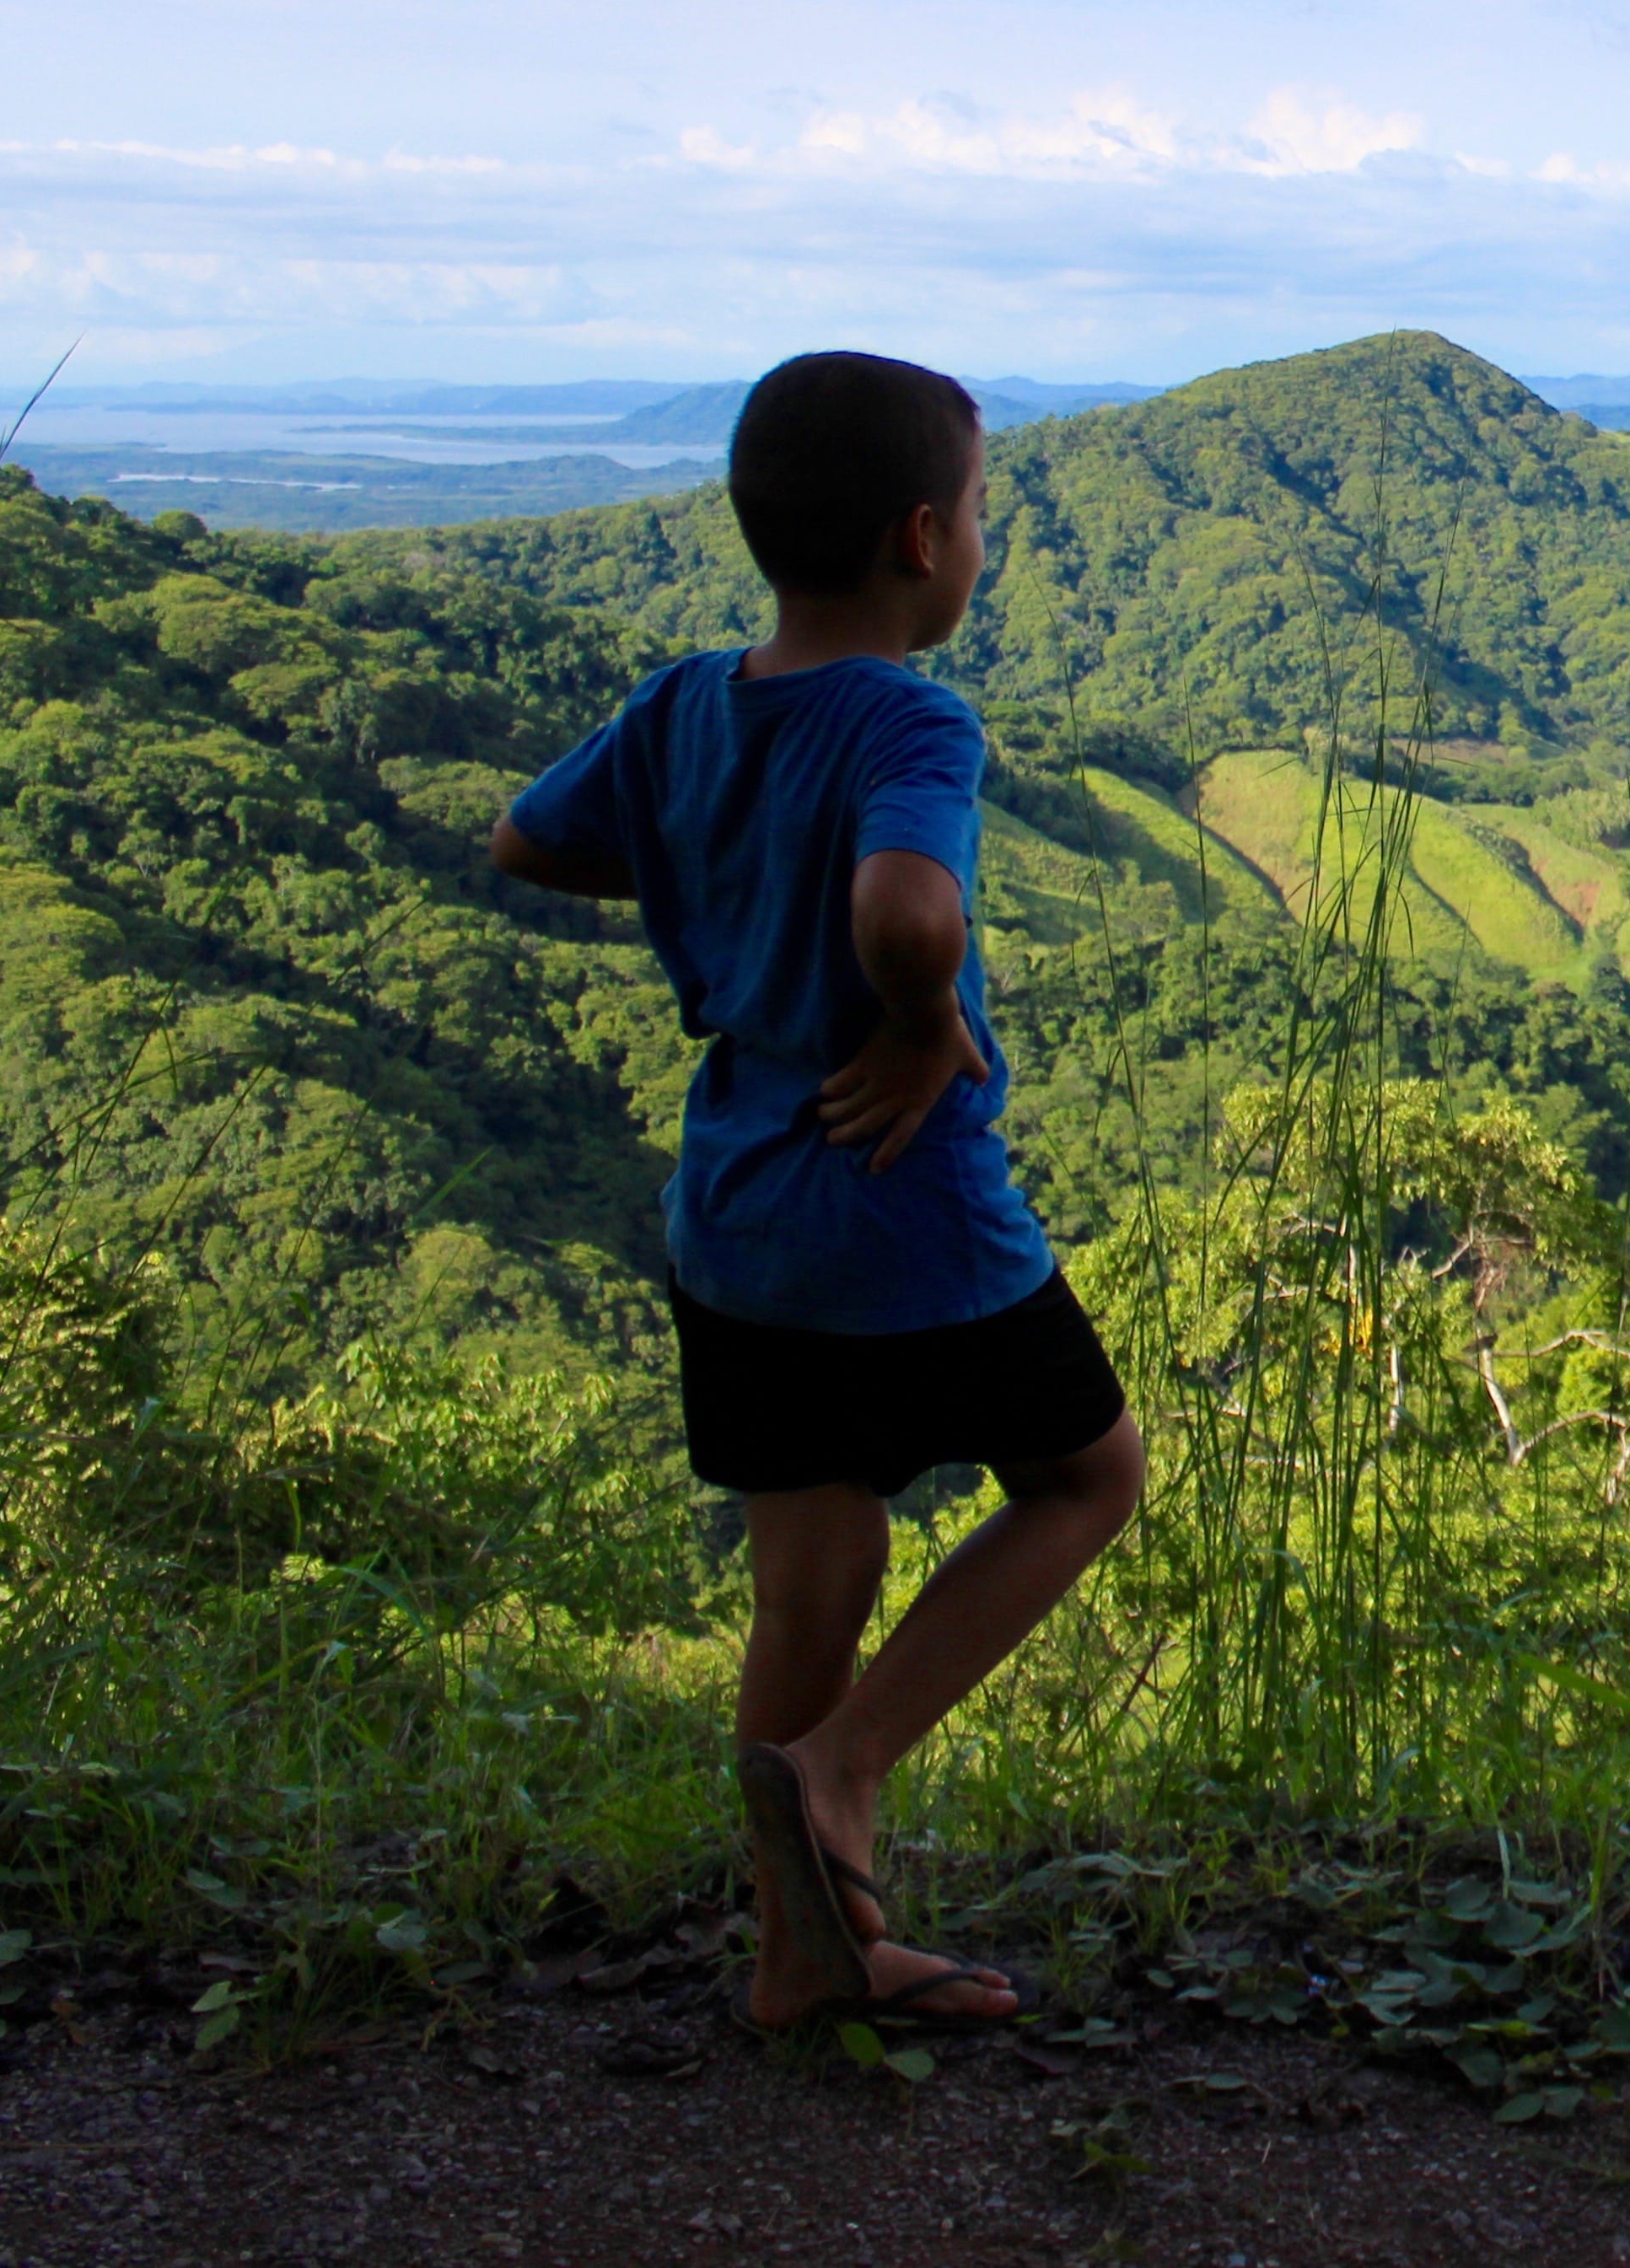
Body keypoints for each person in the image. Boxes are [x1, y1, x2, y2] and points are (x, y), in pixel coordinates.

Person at [491, 352, 1145, 2030]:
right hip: (904, 1205)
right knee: (1087, 1477)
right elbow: (909, 913)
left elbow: (527, 839)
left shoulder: (685, 706)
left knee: (812, 1573)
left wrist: (713, 871)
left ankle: (802, 1957)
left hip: (737, 1219)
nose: (983, 541)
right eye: (981, 513)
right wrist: (920, 1019)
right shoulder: (909, 718)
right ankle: (847, 1762)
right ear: (924, 538)